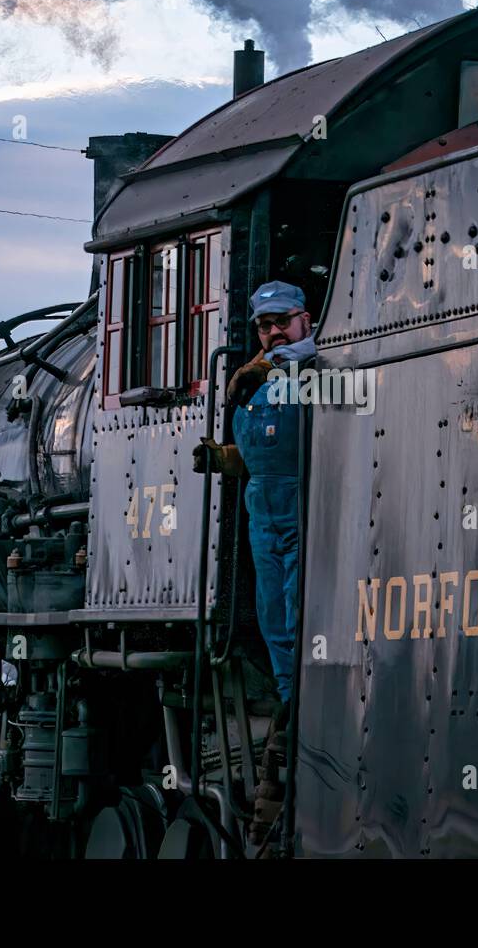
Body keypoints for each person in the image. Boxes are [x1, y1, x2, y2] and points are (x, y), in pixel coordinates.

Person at [192, 279, 315, 843]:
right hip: (262, 508)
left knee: (296, 608)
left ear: (304, 321)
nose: (272, 333)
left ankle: (297, 715)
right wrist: (224, 458)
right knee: (272, 616)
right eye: (264, 326)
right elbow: (265, 447)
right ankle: (288, 706)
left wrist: (279, 368)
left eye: (281, 322)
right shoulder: (254, 377)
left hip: (300, 505)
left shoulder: (316, 367)